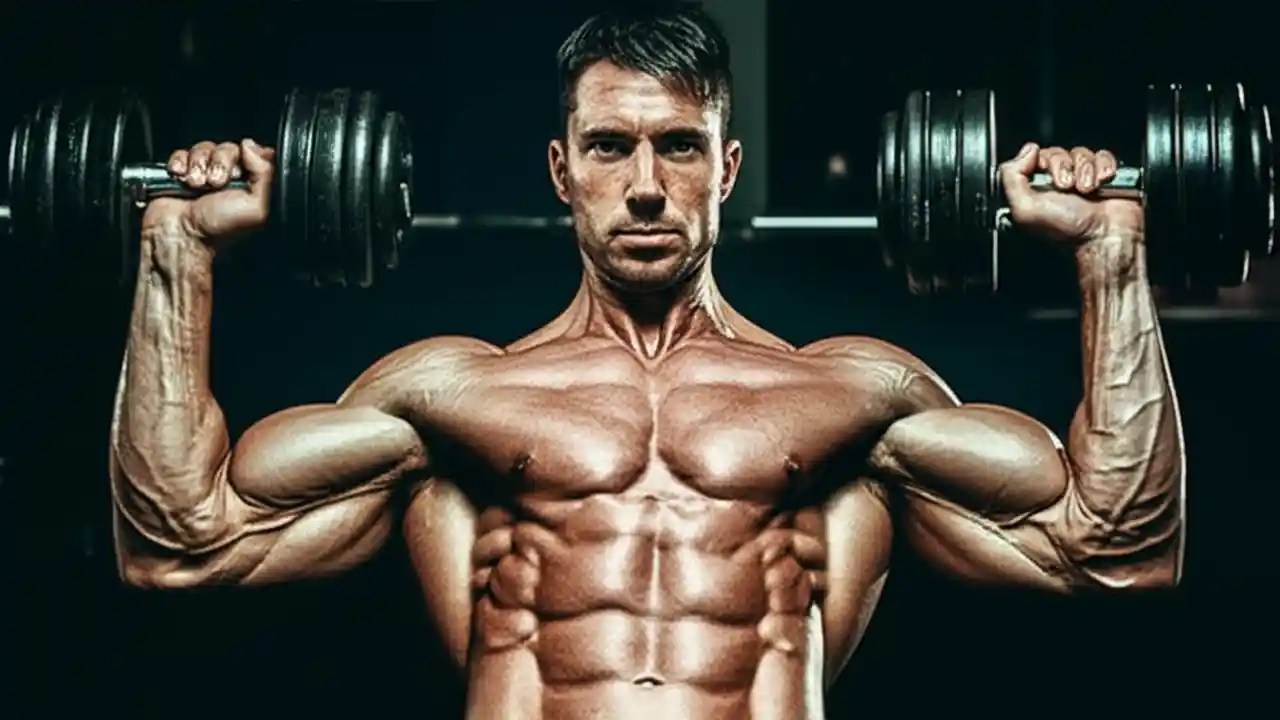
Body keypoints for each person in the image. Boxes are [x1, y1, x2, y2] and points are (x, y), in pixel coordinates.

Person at [107, 5, 1184, 719]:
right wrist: (177, 255)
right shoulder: (453, 397)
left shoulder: (849, 397)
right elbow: (182, 542)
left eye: (675, 146)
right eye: (608, 147)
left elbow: (1114, 545)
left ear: (725, 167)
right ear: (559, 170)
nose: (642, 186)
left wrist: (1108, 255)